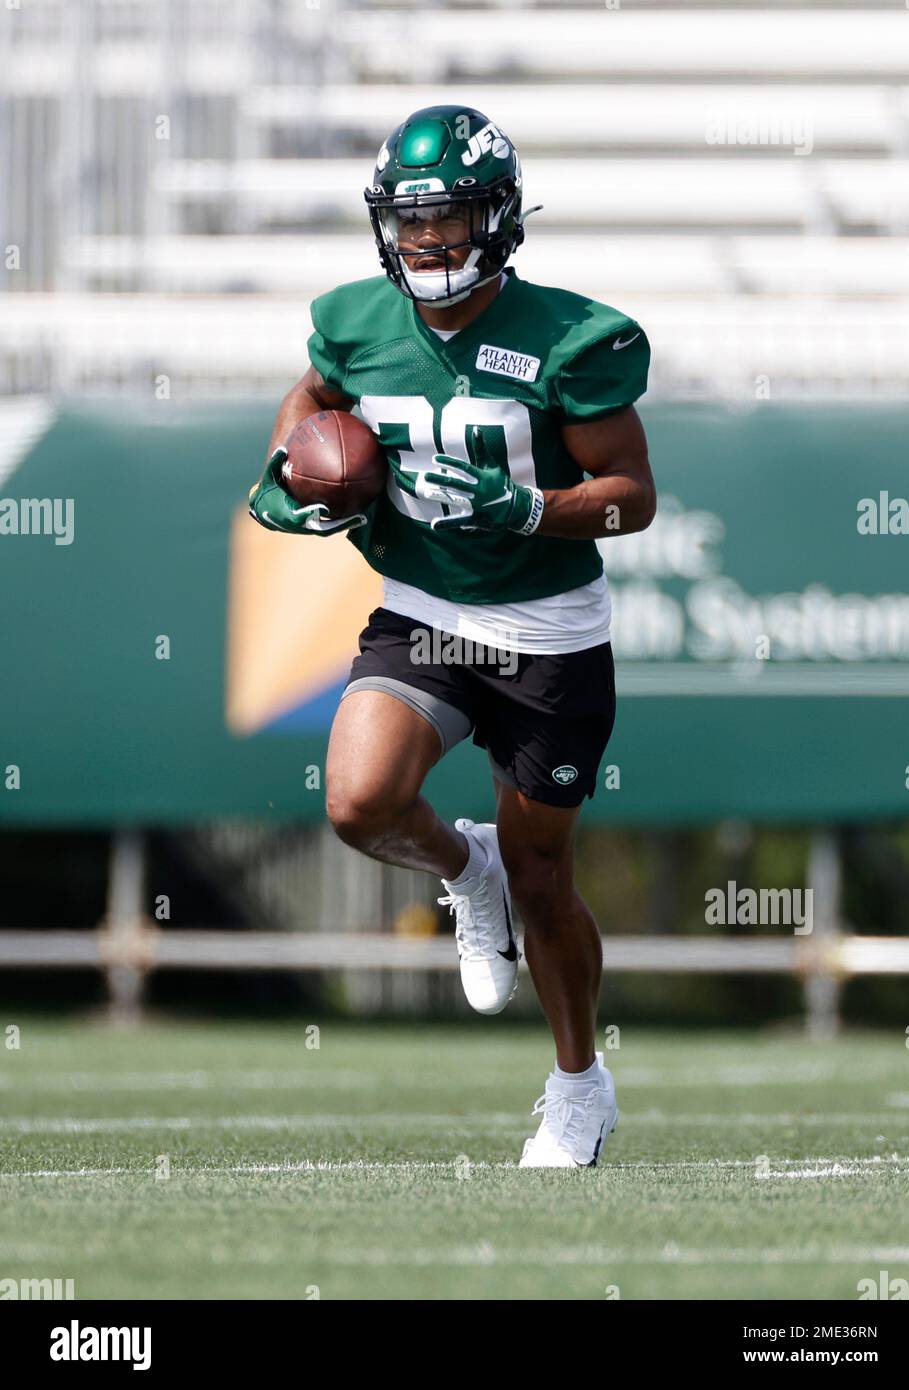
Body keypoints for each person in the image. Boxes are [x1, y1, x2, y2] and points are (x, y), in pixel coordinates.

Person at [249, 106, 656, 1166]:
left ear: (500, 217)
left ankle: (579, 1084)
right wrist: (297, 468)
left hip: (548, 636)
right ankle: (456, 866)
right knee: (357, 802)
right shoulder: (353, 317)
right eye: (410, 220)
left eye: (450, 217)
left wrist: (534, 510)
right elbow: (314, 396)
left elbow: (633, 499)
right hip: (425, 608)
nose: (427, 241)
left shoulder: (575, 339)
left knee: (543, 876)